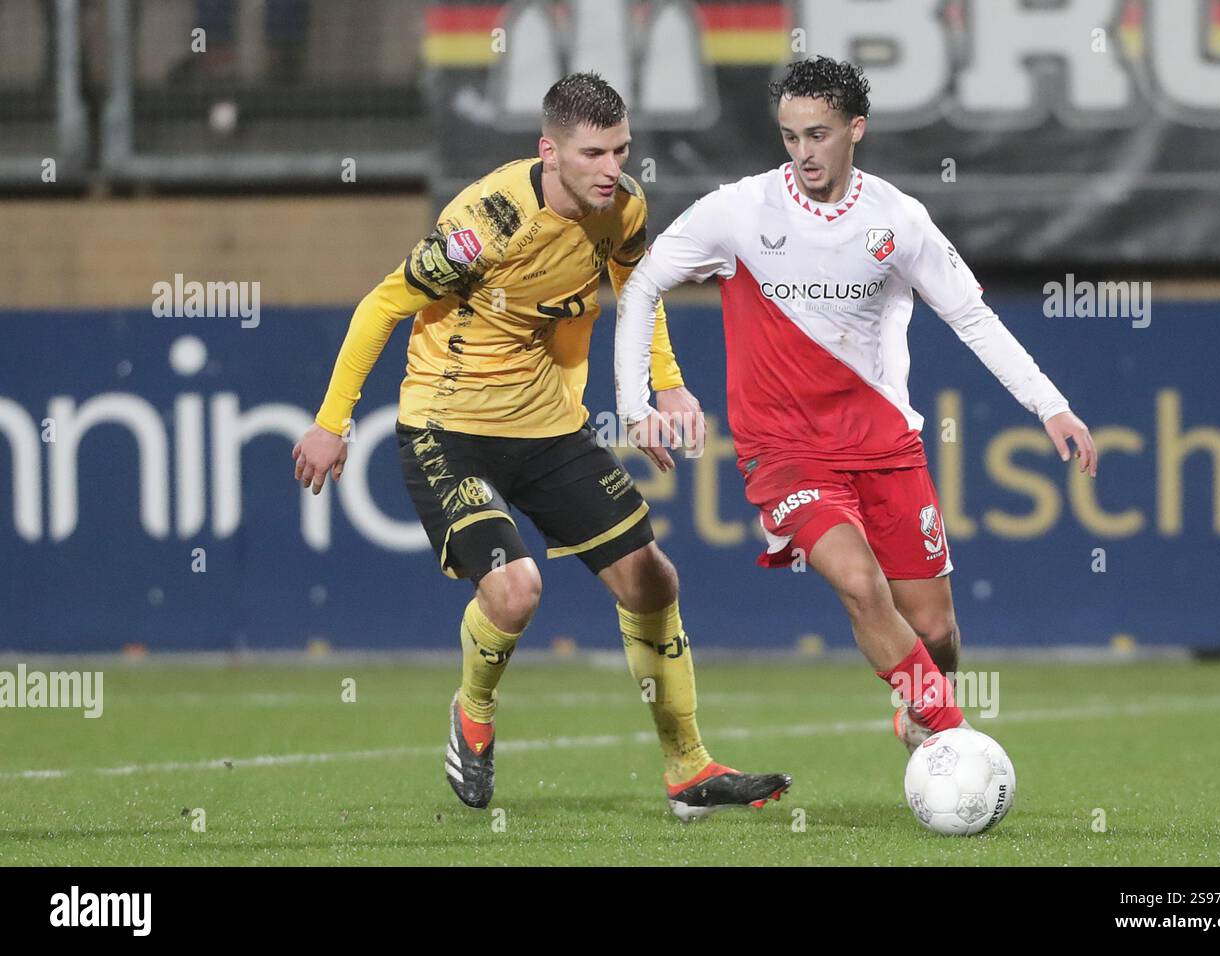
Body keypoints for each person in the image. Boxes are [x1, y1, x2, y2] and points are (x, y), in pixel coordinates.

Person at [293, 72, 790, 820]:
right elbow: (383, 304)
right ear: (548, 152)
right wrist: (332, 423)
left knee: (653, 579)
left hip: (550, 430)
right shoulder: (483, 226)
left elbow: (639, 286)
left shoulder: (621, 209)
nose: (610, 168)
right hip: (447, 428)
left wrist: (668, 385)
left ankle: (689, 769)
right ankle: (474, 710)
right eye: (592, 153)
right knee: (516, 588)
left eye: (621, 150)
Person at [614, 57, 1098, 753]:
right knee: (858, 581)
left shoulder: (899, 221)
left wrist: (1050, 407)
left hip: (884, 446)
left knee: (934, 632)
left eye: (818, 134)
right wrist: (640, 403)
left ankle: (926, 706)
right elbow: (640, 285)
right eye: (789, 136)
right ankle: (957, 743)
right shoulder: (739, 211)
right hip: (784, 450)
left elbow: (973, 319)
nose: (804, 152)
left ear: (855, 130)